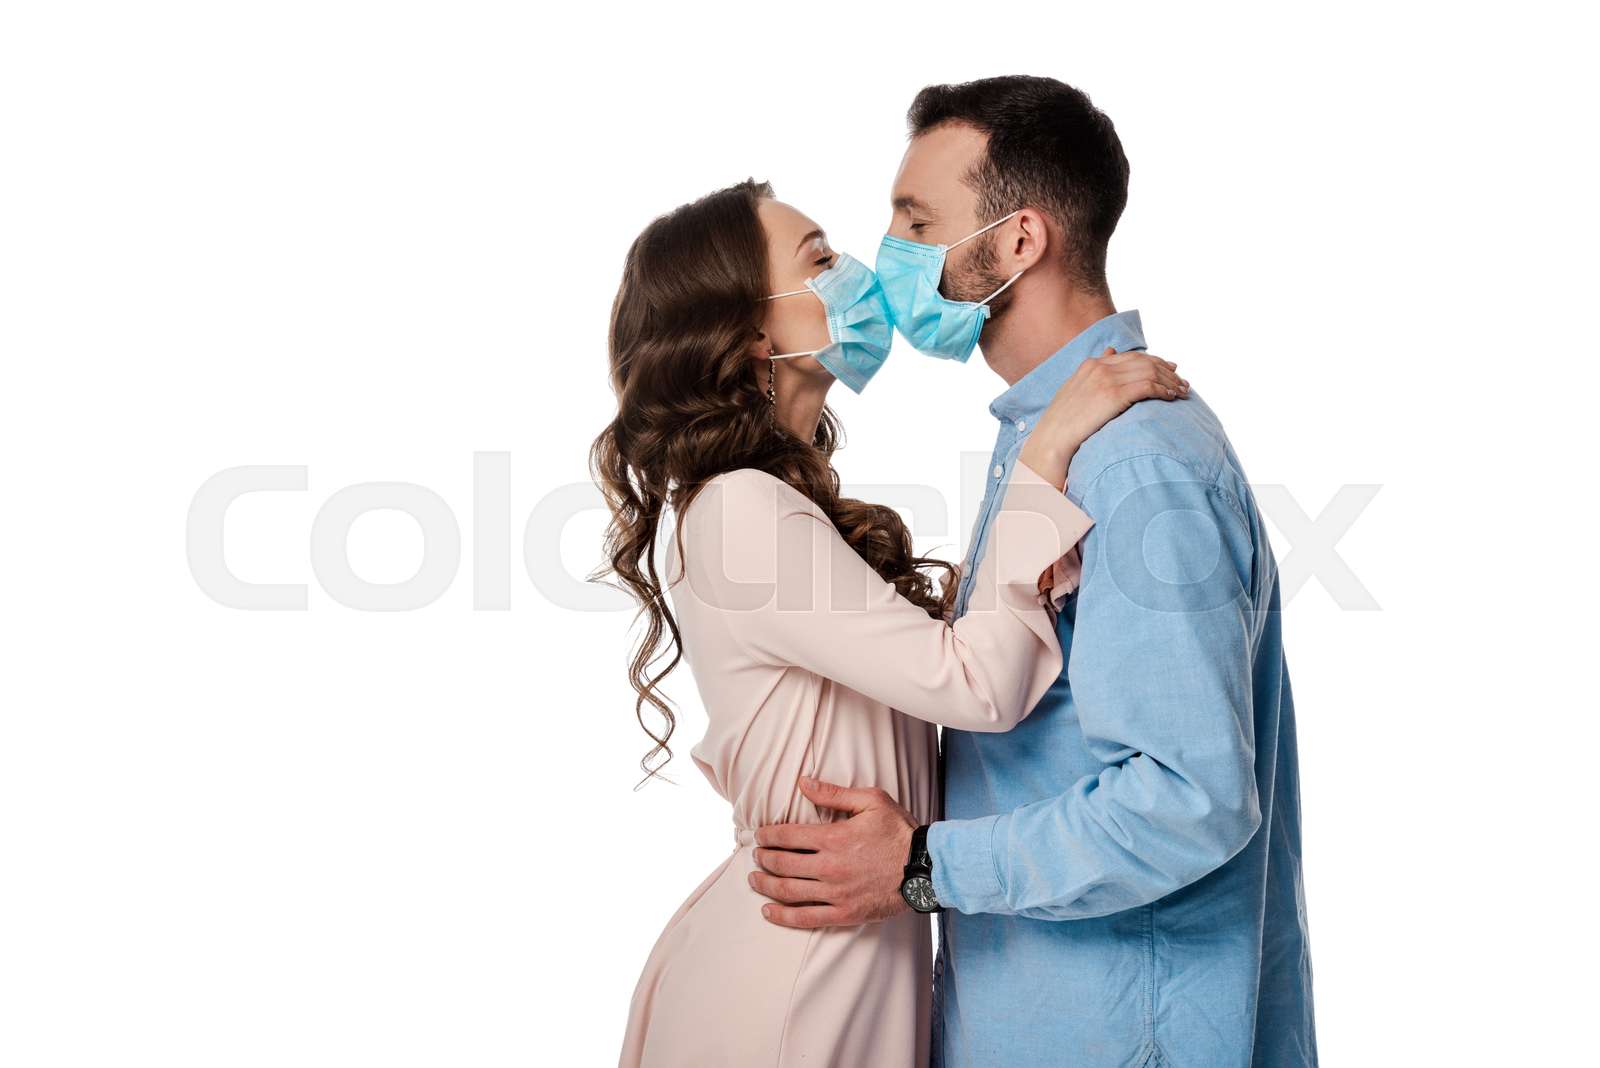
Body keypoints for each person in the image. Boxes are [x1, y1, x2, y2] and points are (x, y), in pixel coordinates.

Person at [750, 77, 1318, 1067]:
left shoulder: (1132, 464)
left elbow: (1190, 796)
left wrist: (921, 866)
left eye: (915, 221)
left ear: (1018, 242)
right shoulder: (1057, 446)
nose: (883, 258)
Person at [595, 178, 1187, 1067]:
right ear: (757, 331)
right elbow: (975, 683)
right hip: (794, 979)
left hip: (841, 954)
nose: (860, 273)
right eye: (821, 261)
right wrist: (1048, 445)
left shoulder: (767, 504)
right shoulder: (741, 512)